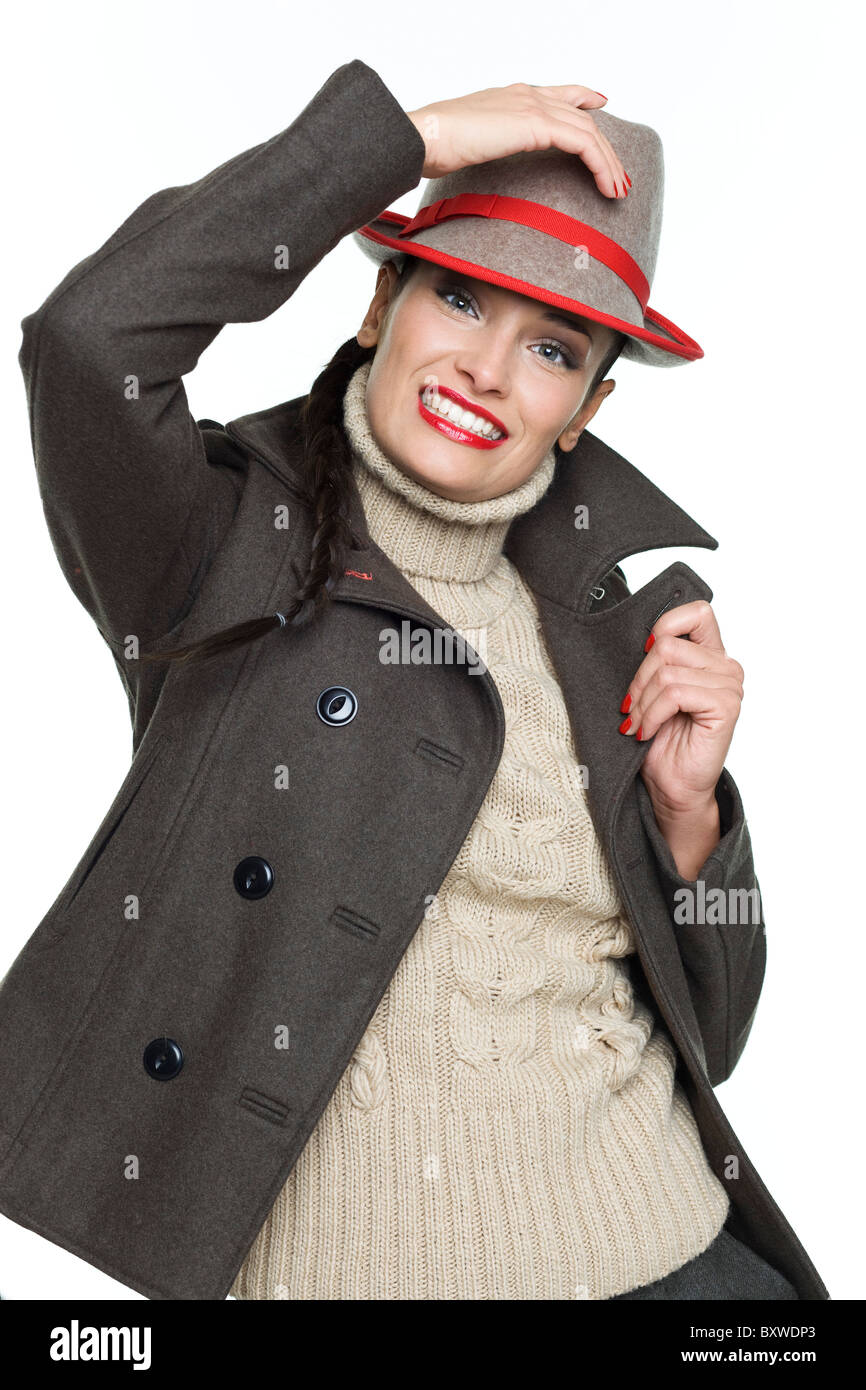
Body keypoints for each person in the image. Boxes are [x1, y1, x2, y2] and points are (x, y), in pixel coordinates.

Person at [2, 61, 826, 1301]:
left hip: (678, 1269)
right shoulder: (216, 552)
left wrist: (690, 824)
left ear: (585, 407)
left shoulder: (611, 625)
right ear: (378, 305)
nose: (488, 370)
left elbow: (718, 1032)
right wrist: (404, 142)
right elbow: (86, 338)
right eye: (456, 295)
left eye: (548, 346)